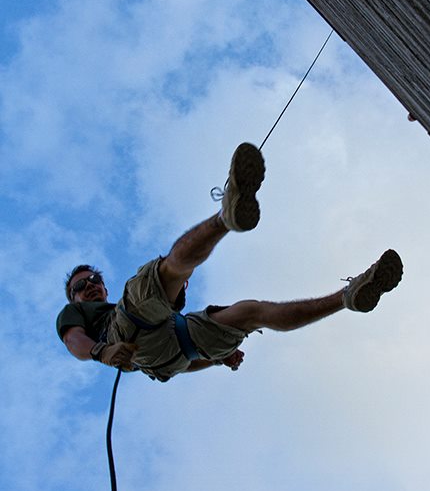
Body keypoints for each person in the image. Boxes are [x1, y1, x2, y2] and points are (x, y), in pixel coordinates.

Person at [56, 143, 403, 381]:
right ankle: (226, 217)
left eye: (93, 281)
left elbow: (179, 363)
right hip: (129, 338)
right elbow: (75, 342)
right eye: (80, 286)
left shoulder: (120, 311)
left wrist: (215, 358)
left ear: (103, 286)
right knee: (165, 273)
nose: (88, 286)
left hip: (168, 350)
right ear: (73, 298)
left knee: (251, 312)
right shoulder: (76, 317)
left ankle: (347, 297)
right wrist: (101, 351)